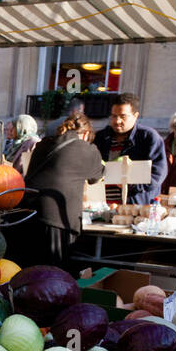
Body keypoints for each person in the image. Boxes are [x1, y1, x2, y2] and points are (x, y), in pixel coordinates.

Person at [21, 112, 104, 266]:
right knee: (52, 275)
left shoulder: (43, 143)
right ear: (86, 134)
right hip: (55, 219)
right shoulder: (86, 148)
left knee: (26, 271)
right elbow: (96, 177)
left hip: (25, 213)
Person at [92, 93, 167, 206]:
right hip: (102, 207)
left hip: (135, 208)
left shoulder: (148, 137)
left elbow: (157, 175)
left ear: (135, 116)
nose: (117, 121)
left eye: (123, 116)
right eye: (113, 116)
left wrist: (129, 185)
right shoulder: (100, 137)